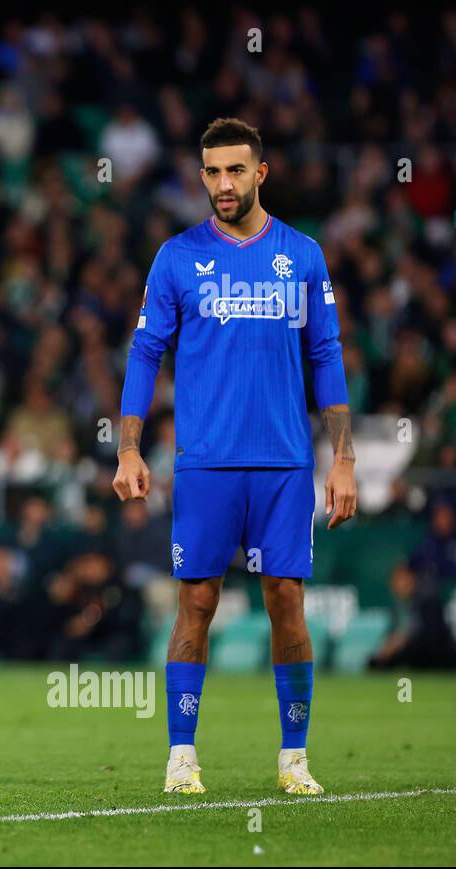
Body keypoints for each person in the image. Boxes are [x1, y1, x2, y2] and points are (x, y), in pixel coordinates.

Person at [113, 117, 356, 796]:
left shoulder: (302, 254)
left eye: (235, 171)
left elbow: (326, 356)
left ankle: (294, 758)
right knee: (196, 601)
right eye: (212, 172)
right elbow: (144, 354)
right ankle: (182, 756)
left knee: (286, 601)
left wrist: (343, 458)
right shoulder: (177, 257)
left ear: (261, 173)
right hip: (205, 463)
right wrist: (129, 448)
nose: (223, 184)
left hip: (283, 462)